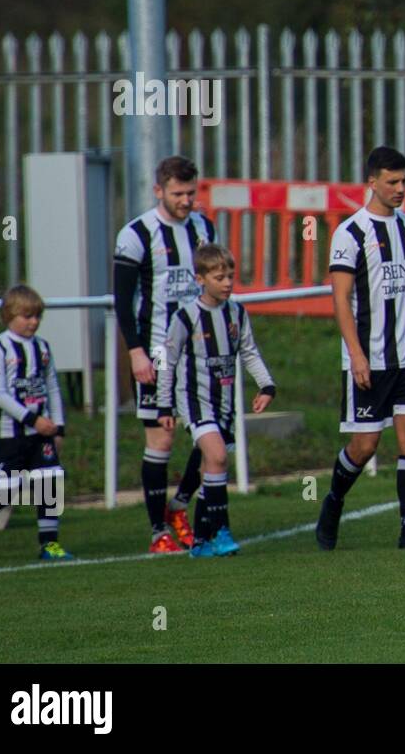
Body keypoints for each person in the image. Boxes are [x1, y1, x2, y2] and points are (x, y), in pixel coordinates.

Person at [315, 147, 405, 551]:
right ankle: (333, 502)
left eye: (404, 181)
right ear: (372, 182)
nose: (401, 189)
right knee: (365, 445)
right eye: (392, 182)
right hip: (369, 357)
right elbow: (340, 299)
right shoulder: (350, 233)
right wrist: (357, 355)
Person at [113, 155, 217, 553]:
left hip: (200, 350)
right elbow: (123, 302)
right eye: (178, 194)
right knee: (162, 436)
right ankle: (158, 530)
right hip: (156, 352)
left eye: (191, 193)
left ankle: (179, 505)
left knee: (212, 433)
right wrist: (136, 352)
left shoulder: (203, 227)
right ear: (159, 190)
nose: (186, 201)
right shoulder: (137, 234)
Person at [156, 244, 275, 558]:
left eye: (230, 276)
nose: (227, 283)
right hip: (195, 402)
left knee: (211, 465)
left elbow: (248, 351)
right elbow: (166, 360)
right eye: (219, 277)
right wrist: (164, 404)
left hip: (224, 403)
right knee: (218, 456)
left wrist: (266, 385)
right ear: (200, 279)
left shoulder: (236, 312)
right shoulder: (186, 317)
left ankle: (200, 541)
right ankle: (222, 531)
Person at [0, 285, 71, 563]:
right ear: (9, 315)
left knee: (49, 480)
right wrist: (33, 419)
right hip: (8, 432)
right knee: (6, 489)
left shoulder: (42, 348)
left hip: (41, 431)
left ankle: (49, 544)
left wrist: (58, 426)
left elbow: (52, 387)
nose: (33, 322)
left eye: (37, 316)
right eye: (27, 316)